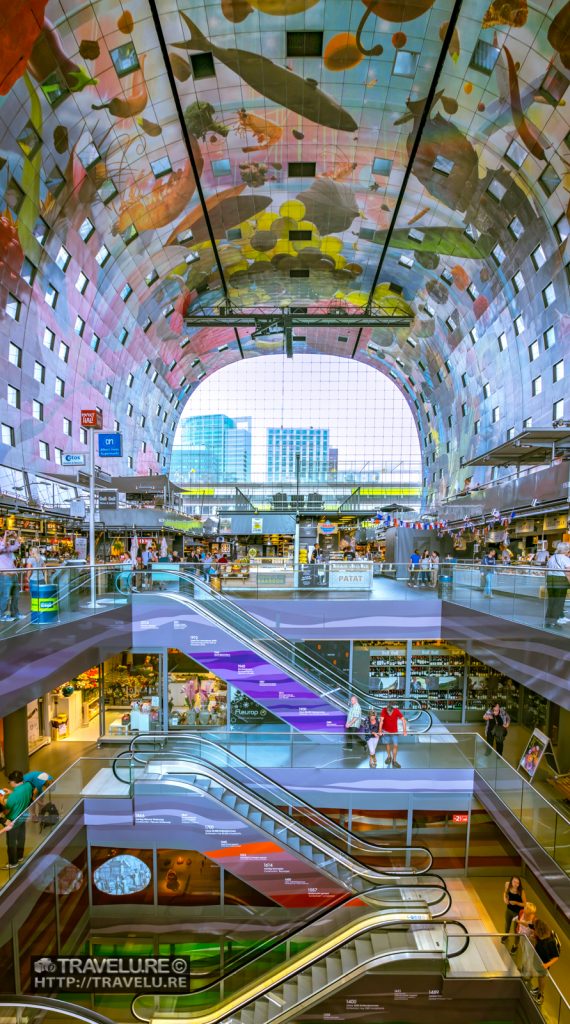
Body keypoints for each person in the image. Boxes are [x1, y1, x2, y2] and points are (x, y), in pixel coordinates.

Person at [3, 770, 33, 868]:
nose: (9, 783)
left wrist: (2, 801)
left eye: (9, 781)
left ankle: (13, 863)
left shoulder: (13, 796)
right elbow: (22, 795)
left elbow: (6, 811)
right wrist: (12, 792)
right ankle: (20, 856)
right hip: (23, 816)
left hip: (13, 821)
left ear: (13, 782)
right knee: (21, 837)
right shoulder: (28, 786)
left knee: (11, 842)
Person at [530, 919, 560, 1003]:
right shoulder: (539, 935)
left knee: (542, 977)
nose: (533, 931)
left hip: (545, 961)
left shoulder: (550, 942)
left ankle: (541, 994)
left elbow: (556, 957)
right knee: (539, 976)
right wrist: (534, 938)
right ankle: (539, 988)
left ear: (540, 931)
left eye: (535, 930)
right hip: (538, 957)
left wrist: (547, 965)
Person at [544, 541, 570, 627]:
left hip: (550, 579)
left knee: (551, 600)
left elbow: (546, 570)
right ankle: (554, 620)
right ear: (566, 550)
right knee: (559, 601)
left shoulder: (552, 558)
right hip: (561, 580)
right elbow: (568, 573)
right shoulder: (566, 559)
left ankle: (548, 620)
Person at [0, 531, 23, 622]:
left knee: (16, 595)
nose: (6, 539)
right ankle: (2, 615)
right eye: (3, 537)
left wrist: (16, 536)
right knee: (5, 596)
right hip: (4, 575)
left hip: (13, 575)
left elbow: (17, 546)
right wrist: (5, 535)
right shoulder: (2, 546)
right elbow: (1, 547)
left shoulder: (8, 547)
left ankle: (15, 613)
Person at [379, 702, 407, 768]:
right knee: (387, 744)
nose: (389, 714)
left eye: (390, 712)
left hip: (394, 731)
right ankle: (389, 757)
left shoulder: (396, 711)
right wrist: (380, 730)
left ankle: (394, 761)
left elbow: (403, 720)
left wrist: (404, 730)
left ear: (393, 710)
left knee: (395, 745)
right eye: (388, 712)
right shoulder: (383, 710)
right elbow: (381, 721)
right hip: (386, 730)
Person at [501, 875, 526, 943]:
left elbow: (524, 904)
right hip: (509, 910)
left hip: (517, 913)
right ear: (511, 881)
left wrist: (516, 903)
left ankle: (516, 944)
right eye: (514, 882)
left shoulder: (521, 891)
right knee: (507, 925)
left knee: (516, 929)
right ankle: (506, 935)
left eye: (518, 883)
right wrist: (505, 898)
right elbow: (505, 893)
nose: (516, 884)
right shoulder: (508, 886)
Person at [513, 900, 536, 965]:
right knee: (523, 950)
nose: (524, 908)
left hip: (529, 939)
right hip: (521, 935)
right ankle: (523, 965)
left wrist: (533, 935)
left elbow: (533, 929)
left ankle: (526, 966)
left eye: (526, 908)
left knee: (528, 953)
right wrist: (518, 928)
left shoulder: (534, 919)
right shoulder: (521, 912)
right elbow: (519, 919)